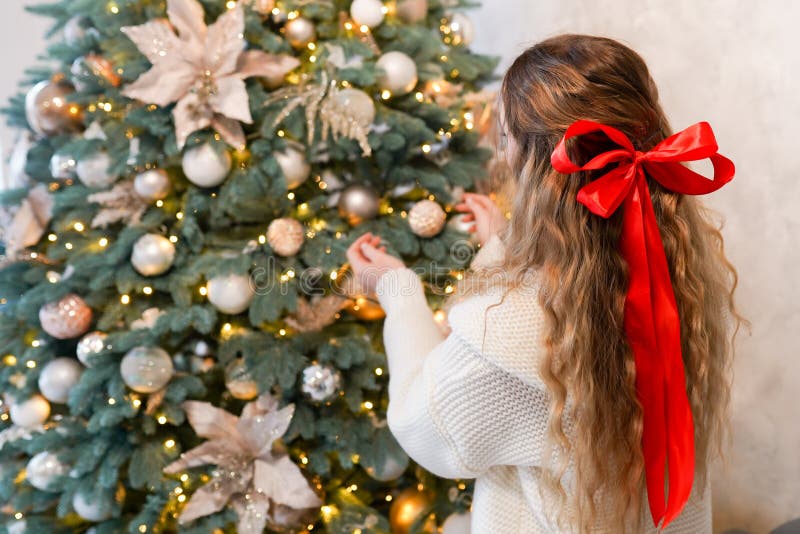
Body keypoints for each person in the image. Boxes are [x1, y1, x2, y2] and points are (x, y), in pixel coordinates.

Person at [346, 34, 745, 534]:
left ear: (539, 167)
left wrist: (399, 290)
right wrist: (504, 245)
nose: (502, 151)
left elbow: (424, 427)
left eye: (507, 137)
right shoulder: (683, 272)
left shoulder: (507, 334)